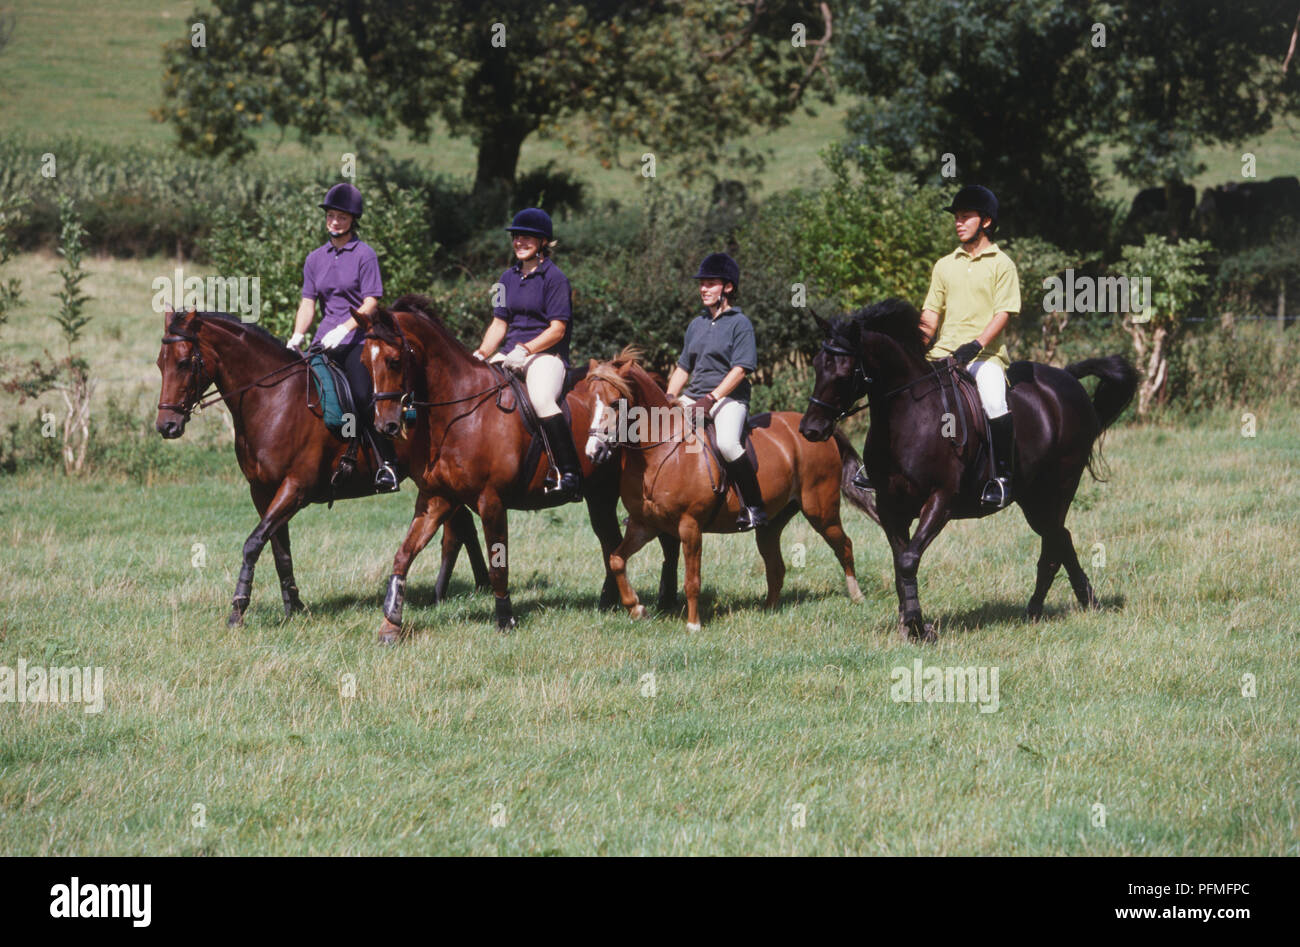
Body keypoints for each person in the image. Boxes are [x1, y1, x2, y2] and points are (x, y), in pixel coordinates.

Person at [287, 182, 398, 492]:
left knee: (363, 397)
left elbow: (372, 301)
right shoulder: (315, 258)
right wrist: (298, 335)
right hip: (323, 341)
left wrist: (346, 328)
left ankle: (386, 464)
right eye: (331, 216)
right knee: (299, 393)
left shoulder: (364, 255)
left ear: (353, 221)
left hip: (358, 341)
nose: (335, 222)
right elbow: (308, 303)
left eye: (342, 217)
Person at [471, 207, 581, 502]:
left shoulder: (556, 278)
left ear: (543, 241)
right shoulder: (503, 279)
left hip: (545, 356)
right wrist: (481, 353)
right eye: (516, 237)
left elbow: (557, 330)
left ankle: (570, 474)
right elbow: (499, 322)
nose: (519, 242)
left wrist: (527, 349)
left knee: (542, 399)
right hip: (509, 354)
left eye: (527, 237)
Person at [921, 184, 1021, 508]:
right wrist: (917, 345)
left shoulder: (1001, 264)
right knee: (905, 391)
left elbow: (1003, 313)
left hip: (984, 356)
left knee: (994, 402)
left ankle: (1003, 478)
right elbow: (931, 314)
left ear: (986, 221)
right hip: (941, 354)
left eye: (966, 217)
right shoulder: (944, 265)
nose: (958, 223)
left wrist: (975, 345)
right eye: (957, 218)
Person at [665, 252, 766, 531]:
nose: (703, 289)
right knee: (653, 430)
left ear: (728, 287)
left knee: (727, 444)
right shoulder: (696, 324)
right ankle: (654, 506)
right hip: (695, 395)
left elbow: (741, 369)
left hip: (729, 398)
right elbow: (683, 367)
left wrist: (711, 399)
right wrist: (669, 398)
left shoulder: (740, 324)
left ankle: (754, 507)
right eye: (701, 284)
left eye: (710, 283)